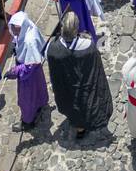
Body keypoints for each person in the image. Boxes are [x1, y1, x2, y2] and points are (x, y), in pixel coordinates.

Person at [47, 10, 113, 139]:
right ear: (76, 29)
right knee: (86, 104)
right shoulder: (88, 46)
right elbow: (96, 70)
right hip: (85, 85)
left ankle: (80, 129)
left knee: (73, 107)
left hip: (67, 87)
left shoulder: (53, 48)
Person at [9, 12, 49, 128]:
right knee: (39, 88)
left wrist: (14, 71)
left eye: (16, 29)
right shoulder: (29, 28)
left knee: (26, 98)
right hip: (35, 70)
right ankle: (40, 103)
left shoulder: (29, 41)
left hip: (28, 75)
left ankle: (27, 121)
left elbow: (29, 66)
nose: (14, 31)